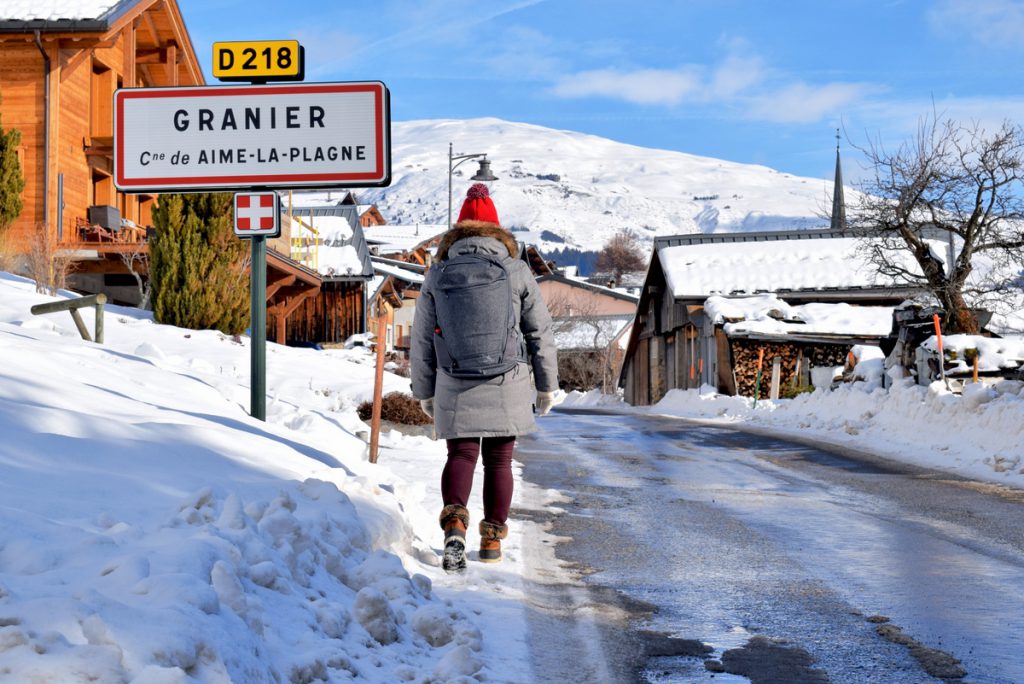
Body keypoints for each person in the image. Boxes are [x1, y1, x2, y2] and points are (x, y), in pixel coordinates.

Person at [411, 183, 559, 573]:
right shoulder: (515, 270)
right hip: (506, 378)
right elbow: (539, 332)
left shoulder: (438, 272)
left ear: (458, 232)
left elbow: (423, 337)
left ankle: (455, 524)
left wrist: (424, 389)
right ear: (497, 231)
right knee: (499, 460)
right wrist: (546, 385)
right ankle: (492, 540)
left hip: (454, 378)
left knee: (460, 454)